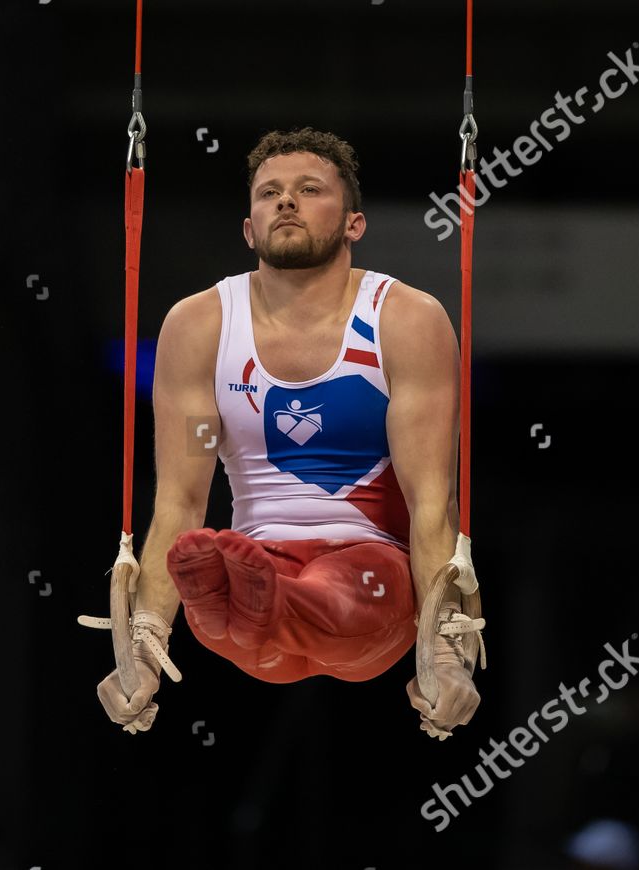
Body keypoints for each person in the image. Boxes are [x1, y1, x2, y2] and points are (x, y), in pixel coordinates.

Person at [95, 127, 483, 738]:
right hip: (259, 563)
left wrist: (445, 656)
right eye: (269, 193)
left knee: (317, 592)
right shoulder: (199, 327)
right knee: (226, 609)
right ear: (249, 229)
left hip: (369, 577)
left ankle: (258, 593)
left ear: (354, 223)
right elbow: (181, 501)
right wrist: (141, 648)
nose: (286, 202)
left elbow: (433, 506)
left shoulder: (405, 319)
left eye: (309, 189)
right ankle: (252, 592)